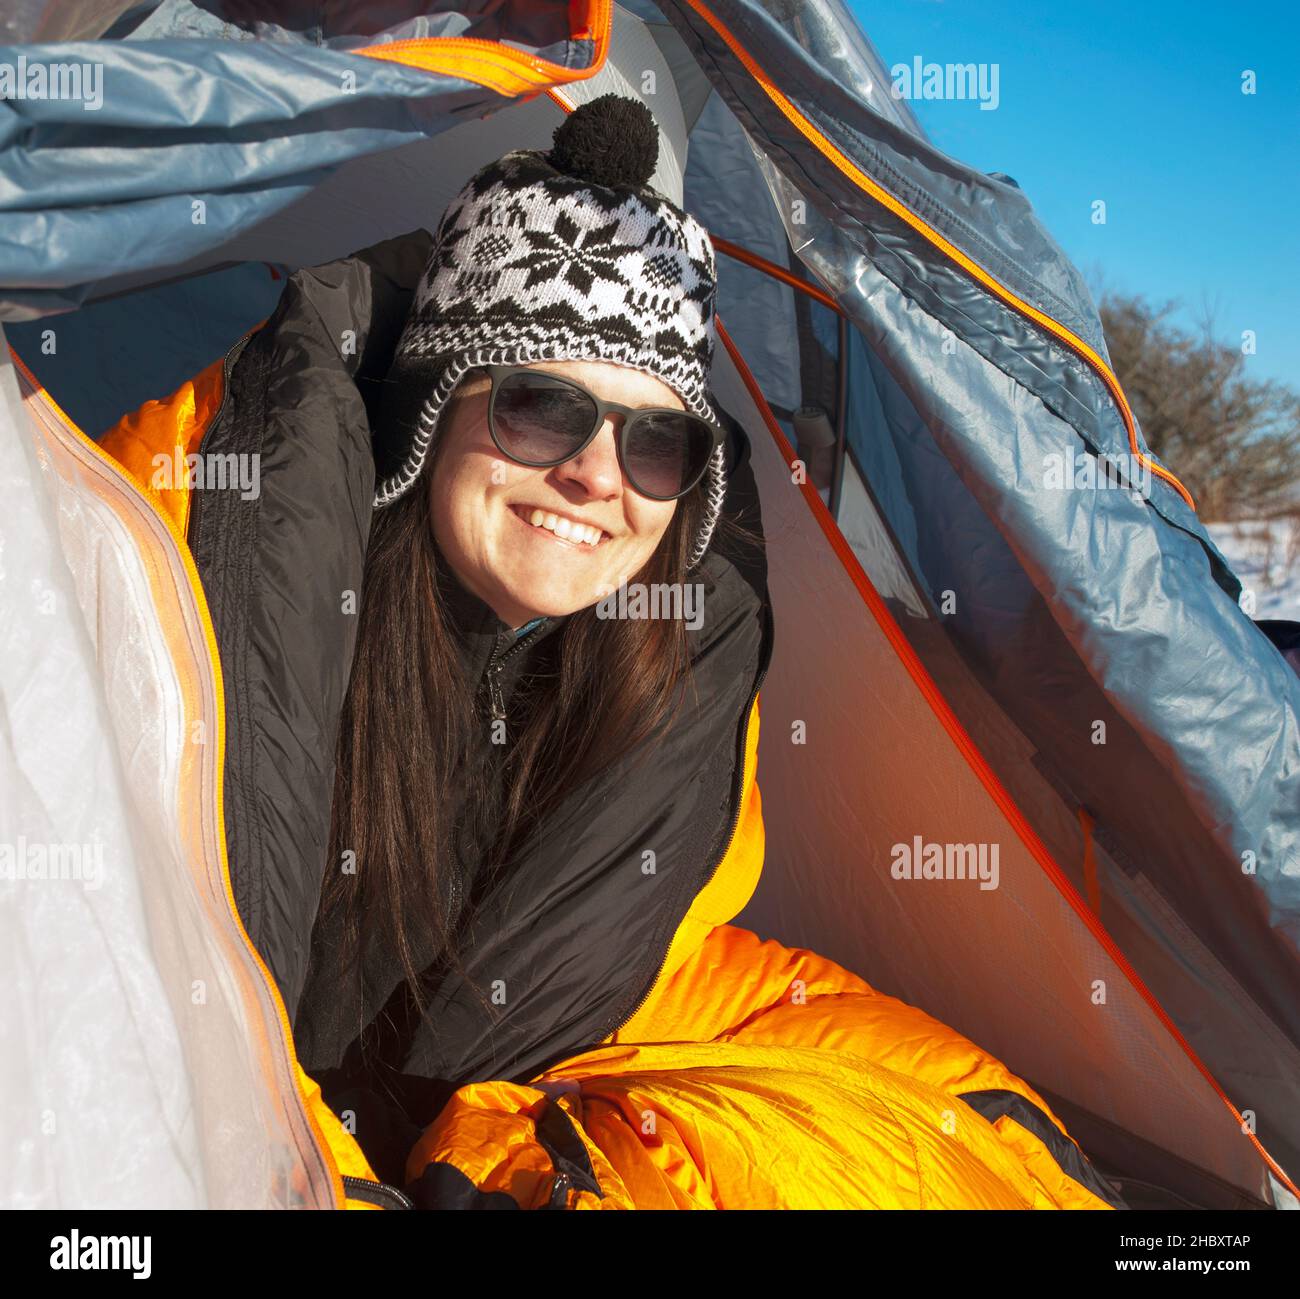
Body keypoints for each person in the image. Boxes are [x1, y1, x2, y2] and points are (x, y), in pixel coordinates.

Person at [102, 93, 1123, 1209]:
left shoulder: (640, 660)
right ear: (431, 410)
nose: (599, 478)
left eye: (656, 442)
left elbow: (654, 977)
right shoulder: (200, 598)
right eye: (543, 409)